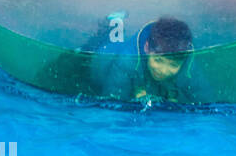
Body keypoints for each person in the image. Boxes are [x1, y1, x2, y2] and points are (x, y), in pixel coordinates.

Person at [39, 15, 197, 103]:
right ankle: (107, 26)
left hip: (122, 58)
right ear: (147, 48)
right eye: (159, 61)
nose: (163, 71)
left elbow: (203, 99)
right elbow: (111, 101)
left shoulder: (184, 57)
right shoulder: (127, 61)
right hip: (94, 61)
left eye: (172, 65)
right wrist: (135, 102)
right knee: (67, 64)